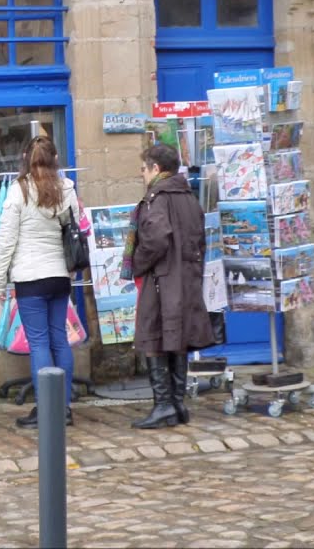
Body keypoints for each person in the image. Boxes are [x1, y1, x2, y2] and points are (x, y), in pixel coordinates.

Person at [0, 135, 82, 429]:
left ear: (27, 159)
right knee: (59, 340)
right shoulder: (67, 188)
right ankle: (64, 408)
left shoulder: (19, 190)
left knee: (39, 343)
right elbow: (75, 231)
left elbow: (6, 242)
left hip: (30, 277)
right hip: (59, 276)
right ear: (55, 159)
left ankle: (46, 410)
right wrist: (72, 271)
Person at [126, 143, 217, 429]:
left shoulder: (158, 197)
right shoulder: (189, 197)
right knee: (175, 338)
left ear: (156, 168)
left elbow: (156, 238)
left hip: (162, 279)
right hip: (185, 279)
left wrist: (138, 263)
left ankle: (165, 405)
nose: (142, 175)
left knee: (154, 337)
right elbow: (200, 239)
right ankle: (177, 404)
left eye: (143, 169)